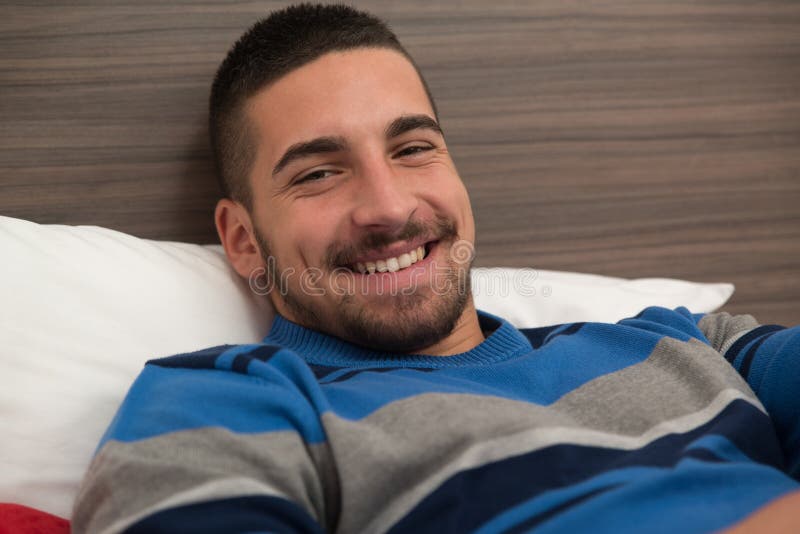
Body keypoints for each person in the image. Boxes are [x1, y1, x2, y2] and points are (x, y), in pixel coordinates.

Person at [72, 4, 799, 533]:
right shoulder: (222, 404)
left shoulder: (696, 343)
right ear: (243, 240)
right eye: (320, 173)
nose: (387, 207)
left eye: (413, 148)